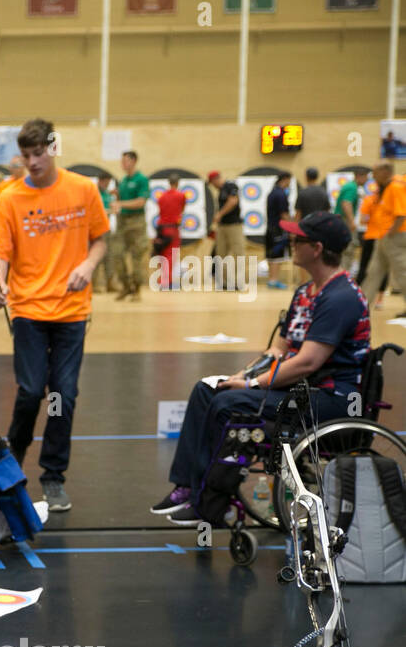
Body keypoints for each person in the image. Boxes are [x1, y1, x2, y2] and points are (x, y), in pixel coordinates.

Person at [152, 212, 370, 525]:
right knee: (208, 390)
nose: (291, 243)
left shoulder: (340, 297)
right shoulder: (305, 293)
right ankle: (186, 487)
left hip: (330, 397)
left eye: (298, 239)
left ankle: (209, 501)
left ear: (317, 248)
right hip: (300, 389)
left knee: (228, 404)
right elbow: (277, 349)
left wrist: (253, 387)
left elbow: (307, 362)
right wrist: (243, 376)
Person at [0, 118, 108, 513]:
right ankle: (11, 462)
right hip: (29, 309)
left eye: (39, 153)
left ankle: (53, 477)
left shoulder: (83, 189)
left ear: (53, 149)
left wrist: (87, 267)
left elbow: (100, 240)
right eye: (27, 155)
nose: (33, 162)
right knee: (32, 392)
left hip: (72, 311)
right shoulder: (9, 197)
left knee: (63, 396)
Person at [359, 160, 406, 312]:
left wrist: (391, 233)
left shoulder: (395, 187)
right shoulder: (384, 189)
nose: (373, 176)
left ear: (386, 171)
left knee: (402, 271)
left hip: (394, 236)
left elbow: (401, 214)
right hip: (383, 236)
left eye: (375, 172)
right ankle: (360, 306)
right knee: (374, 271)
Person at [111, 150, 150, 301]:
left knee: (137, 257)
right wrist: (116, 196)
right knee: (117, 254)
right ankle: (126, 286)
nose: (123, 164)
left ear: (133, 161)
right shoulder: (124, 181)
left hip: (136, 223)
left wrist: (120, 203)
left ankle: (137, 290)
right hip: (122, 222)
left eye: (125, 161)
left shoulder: (141, 179)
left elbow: (141, 201)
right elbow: (122, 199)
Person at [208, 170, 245, 289]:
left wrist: (220, 214)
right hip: (223, 226)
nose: (213, 186)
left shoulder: (230, 185)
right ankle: (224, 282)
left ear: (215, 179)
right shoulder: (221, 191)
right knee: (221, 254)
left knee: (238, 253)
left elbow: (233, 201)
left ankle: (238, 281)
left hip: (234, 225)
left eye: (212, 183)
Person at [153, 174, 185, 291]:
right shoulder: (180, 195)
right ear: (177, 183)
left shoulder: (161, 196)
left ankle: (162, 280)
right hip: (172, 228)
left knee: (162, 255)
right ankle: (166, 282)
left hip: (161, 228)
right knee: (171, 255)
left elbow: (161, 210)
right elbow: (181, 209)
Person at [264, 173, 292, 289]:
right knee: (277, 255)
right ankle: (274, 280)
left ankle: (272, 279)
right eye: (289, 181)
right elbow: (284, 214)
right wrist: (292, 227)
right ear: (284, 180)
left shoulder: (272, 192)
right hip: (278, 229)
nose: (289, 184)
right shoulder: (280, 194)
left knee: (272, 255)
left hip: (271, 228)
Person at [337, 170, 368, 274]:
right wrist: (351, 221)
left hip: (342, 220)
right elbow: (346, 203)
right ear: (359, 176)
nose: (367, 180)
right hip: (344, 221)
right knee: (349, 249)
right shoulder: (352, 187)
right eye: (366, 177)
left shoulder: (350, 186)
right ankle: (343, 275)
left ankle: (343, 274)